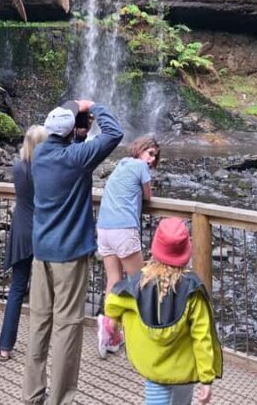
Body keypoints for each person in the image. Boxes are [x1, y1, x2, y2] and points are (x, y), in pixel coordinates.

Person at [22, 99, 123, 405]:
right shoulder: (77, 158)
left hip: (42, 254)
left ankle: (32, 395)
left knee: (39, 323)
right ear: (70, 134)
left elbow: (64, 143)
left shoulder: (39, 154)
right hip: (69, 255)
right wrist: (95, 106)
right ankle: (60, 399)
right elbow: (114, 133)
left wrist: (74, 118)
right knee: (67, 326)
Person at [105, 217, 222, 405]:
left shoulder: (137, 285)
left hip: (153, 365)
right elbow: (202, 337)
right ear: (186, 251)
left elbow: (112, 304)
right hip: (184, 369)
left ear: (155, 248)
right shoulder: (192, 291)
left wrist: (113, 323)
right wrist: (206, 378)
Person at [96, 136, 160, 358]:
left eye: (155, 156)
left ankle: (109, 330)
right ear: (140, 150)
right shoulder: (140, 166)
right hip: (124, 229)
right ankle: (143, 336)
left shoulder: (121, 164)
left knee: (113, 280)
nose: (151, 160)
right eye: (150, 153)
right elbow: (148, 196)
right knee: (140, 283)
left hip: (104, 228)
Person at [0, 124, 47, 360]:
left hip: (20, 229)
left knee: (16, 289)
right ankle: (39, 348)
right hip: (42, 231)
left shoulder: (17, 168)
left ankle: (5, 346)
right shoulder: (47, 170)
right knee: (44, 292)